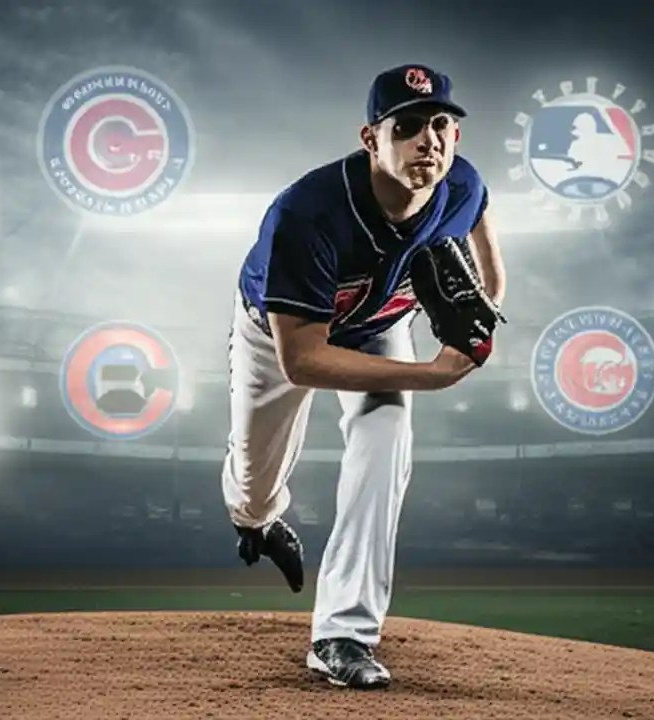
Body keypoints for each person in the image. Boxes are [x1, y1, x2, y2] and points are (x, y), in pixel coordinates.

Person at [220, 63, 505, 689]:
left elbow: (488, 260)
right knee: (253, 479)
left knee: (388, 430)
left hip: (380, 322)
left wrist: (480, 309)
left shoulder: (462, 185)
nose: (428, 140)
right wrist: (434, 373)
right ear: (371, 138)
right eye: (406, 126)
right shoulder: (307, 214)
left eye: (440, 124)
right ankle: (256, 520)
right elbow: (306, 361)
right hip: (280, 334)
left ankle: (344, 632)